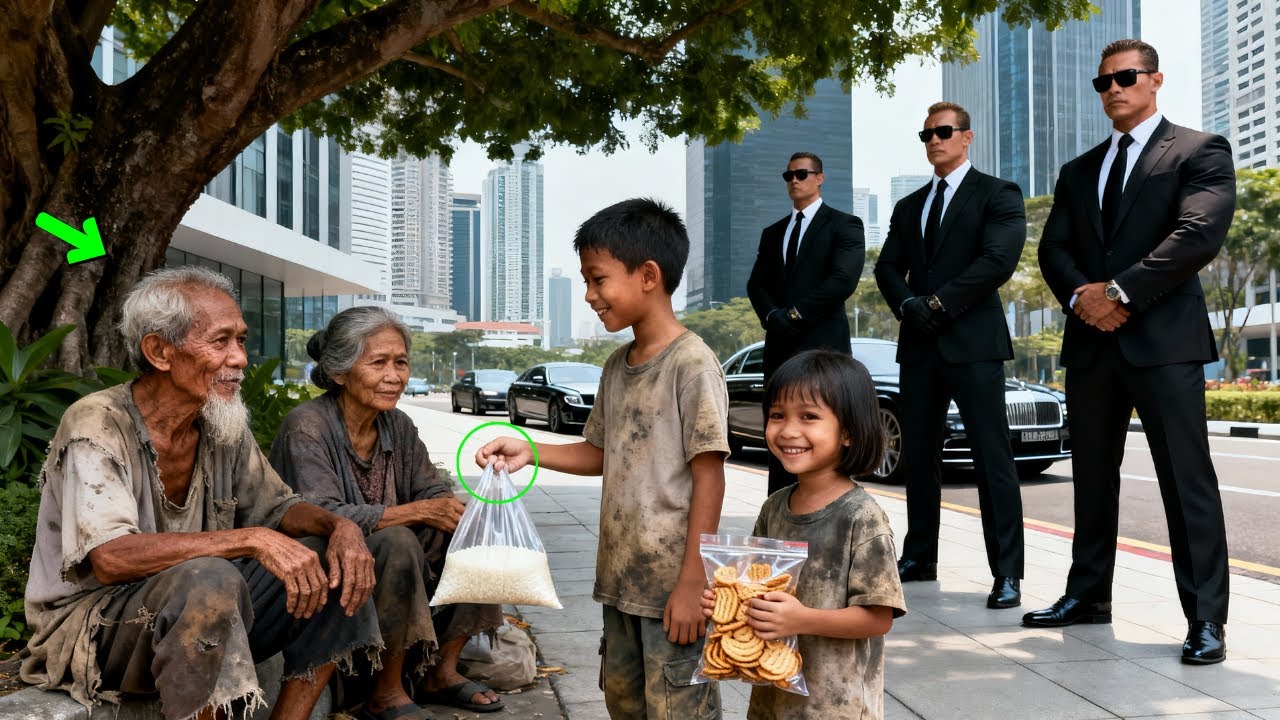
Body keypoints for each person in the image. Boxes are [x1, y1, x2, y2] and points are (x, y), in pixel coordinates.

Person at [21, 266, 382, 720]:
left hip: (199, 614)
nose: (240, 359)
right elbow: (110, 558)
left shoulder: (218, 420)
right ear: (159, 351)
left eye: (242, 340)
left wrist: (341, 527)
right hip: (95, 629)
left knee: (332, 560)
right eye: (220, 341)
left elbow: (280, 508)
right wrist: (249, 539)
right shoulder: (97, 423)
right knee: (210, 576)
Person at [1025, 39, 1236, 664]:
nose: (1113, 89)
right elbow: (1053, 250)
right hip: (1091, 344)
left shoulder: (1200, 150)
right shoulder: (1078, 169)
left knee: (1185, 480)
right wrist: (1083, 300)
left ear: (1154, 80)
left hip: (1165, 343)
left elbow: (1199, 232)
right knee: (1091, 477)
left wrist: (1119, 291)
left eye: (1125, 77)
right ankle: (1088, 594)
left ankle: (1206, 620)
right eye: (1103, 83)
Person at [476, 198, 729, 719]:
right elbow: (601, 453)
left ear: (648, 276)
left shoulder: (692, 365)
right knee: (625, 704)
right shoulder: (615, 365)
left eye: (598, 279)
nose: (590, 295)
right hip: (621, 583)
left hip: (672, 591)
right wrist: (529, 450)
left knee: (678, 708)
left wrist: (693, 581)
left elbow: (710, 478)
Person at [270, 306, 504, 716]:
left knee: (476, 530)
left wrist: (453, 508)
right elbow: (318, 509)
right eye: (378, 363)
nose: (394, 375)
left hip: (392, 556)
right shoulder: (307, 426)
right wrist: (416, 512)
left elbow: (429, 488)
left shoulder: (397, 425)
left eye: (401, 362)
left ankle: (441, 671)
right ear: (341, 372)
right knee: (397, 541)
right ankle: (386, 692)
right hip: (328, 563)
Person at [873, 101, 1027, 609]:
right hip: (919, 343)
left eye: (943, 132)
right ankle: (920, 556)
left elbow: (997, 261)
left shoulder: (998, 194)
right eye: (926, 134)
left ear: (967, 136)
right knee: (919, 455)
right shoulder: (909, 205)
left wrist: (937, 302)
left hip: (974, 343)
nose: (934, 140)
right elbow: (888, 268)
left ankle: (1007, 572)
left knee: (991, 456)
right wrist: (910, 305)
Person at [701, 350, 906, 719]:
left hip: (836, 706)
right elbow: (755, 591)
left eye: (809, 417)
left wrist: (801, 619)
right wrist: (724, 604)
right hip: (774, 697)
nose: (788, 430)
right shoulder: (775, 508)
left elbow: (879, 619)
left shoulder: (862, 518)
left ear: (848, 432)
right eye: (777, 415)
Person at [747, 151, 866, 495]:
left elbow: (842, 280)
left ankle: (828, 512)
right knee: (781, 436)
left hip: (824, 347)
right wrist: (773, 317)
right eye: (789, 176)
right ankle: (778, 517)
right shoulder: (773, 233)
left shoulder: (844, 224)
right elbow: (756, 284)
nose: (794, 181)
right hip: (779, 349)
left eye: (801, 174)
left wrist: (794, 315)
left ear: (819, 178)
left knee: (825, 433)